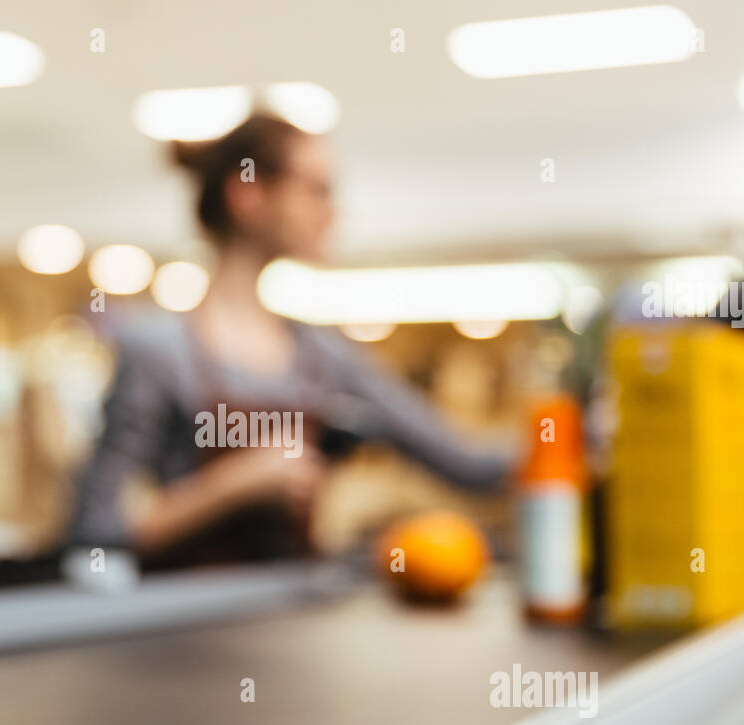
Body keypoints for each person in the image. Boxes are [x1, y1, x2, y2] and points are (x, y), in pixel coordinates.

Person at [70, 113, 513, 569]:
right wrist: (237, 483)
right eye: (316, 190)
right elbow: (97, 532)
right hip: (187, 624)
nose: (331, 212)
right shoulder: (159, 352)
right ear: (248, 194)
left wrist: (566, 434)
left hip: (293, 614)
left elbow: (468, 465)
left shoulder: (322, 354)